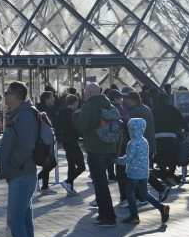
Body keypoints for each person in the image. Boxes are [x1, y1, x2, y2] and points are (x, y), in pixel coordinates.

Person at [0, 80, 50, 237]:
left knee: (17, 219)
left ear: (16, 96)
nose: (5, 95)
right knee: (25, 217)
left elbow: (27, 145)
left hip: (21, 172)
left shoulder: (24, 116)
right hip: (21, 172)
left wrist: (12, 163)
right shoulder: (22, 114)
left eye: (7, 92)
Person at [73, 83, 123, 225]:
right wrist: (117, 152)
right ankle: (102, 214)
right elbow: (119, 130)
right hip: (111, 148)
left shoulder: (88, 107)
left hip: (96, 150)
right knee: (100, 184)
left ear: (88, 92)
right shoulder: (110, 106)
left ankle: (109, 216)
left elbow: (81, 127)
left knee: (100, 185)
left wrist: (75, 116)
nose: (83, 95)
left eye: (84, 92)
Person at [121, 115, 170, 226]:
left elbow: (128, 158)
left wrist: (115, 160)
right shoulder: (144, 141)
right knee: (145, 193)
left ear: (132, 129)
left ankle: (134, 216)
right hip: (144, 172)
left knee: (130, 193)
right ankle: (161, 208)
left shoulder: (132, 142)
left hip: (134, 173)